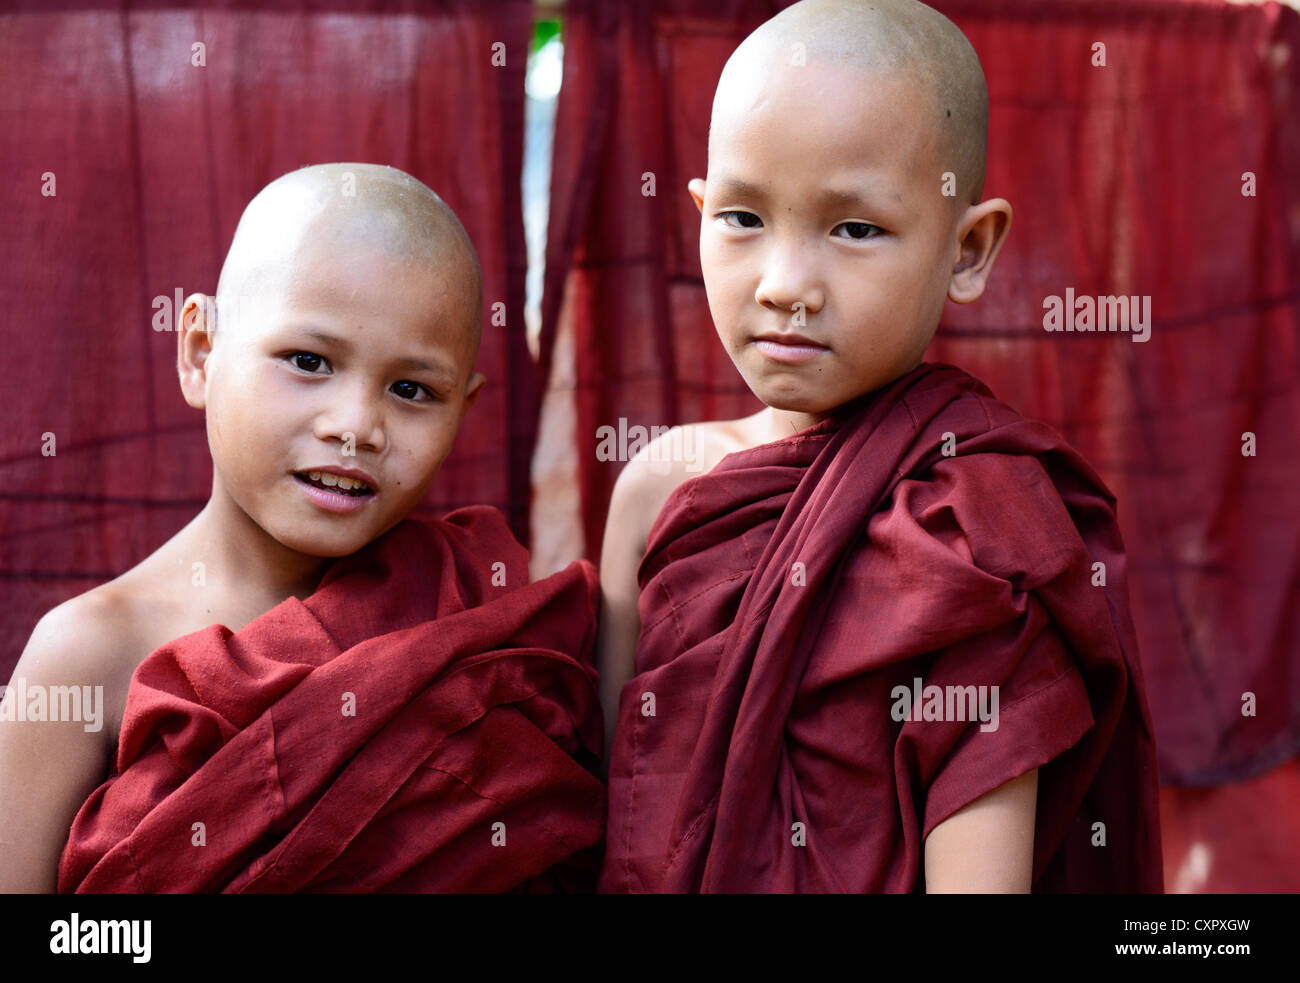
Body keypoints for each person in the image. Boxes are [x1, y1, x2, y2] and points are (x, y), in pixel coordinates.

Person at [597, 0, 1163, 892]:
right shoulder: (654, 491)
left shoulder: (976, 529)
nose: (786, 285)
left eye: (855, 229)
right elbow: (617, 822)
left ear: (967, 249)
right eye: (743, 218)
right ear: (696, 214)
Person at [0, 163, 604, 892]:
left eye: (412, 389)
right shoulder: (87, 651)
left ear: (462, 410)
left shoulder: (483, 609)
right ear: (200, 352)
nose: (356, 427)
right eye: (308, 360)